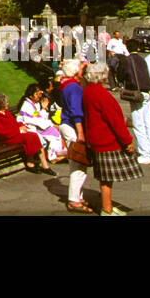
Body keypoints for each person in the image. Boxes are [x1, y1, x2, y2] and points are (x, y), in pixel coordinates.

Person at [81, 63, 141, 215]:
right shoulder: (101, 94)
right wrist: (127, 141)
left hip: (96, 138)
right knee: (107, 178)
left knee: (105, 177)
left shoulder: (88, 91)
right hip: (106, 140)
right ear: (101, 76)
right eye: (105, 74)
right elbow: (115, 120)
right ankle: (106, 209)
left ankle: (107, 206)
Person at [0, 93, 55, 174]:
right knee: (31, 137)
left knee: (34, 136)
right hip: (8, 138)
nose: (8, 104)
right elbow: (2, 131)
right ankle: (30, 163)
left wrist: (22, 126)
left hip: (15, 134)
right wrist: (18, 130)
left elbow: (15, 122)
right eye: (6, 102)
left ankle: (44, 165)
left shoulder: (6, 112)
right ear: (1, 104)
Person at [57, 58, 91, 212]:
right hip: (72, 126)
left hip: (65, 124)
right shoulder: (74, 88)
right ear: (76, 72)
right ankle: (74, 199)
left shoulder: (66, 85)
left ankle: (77, 195)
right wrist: (81, 133)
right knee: (79, 163)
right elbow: (76, 111)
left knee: (75, 163)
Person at [117, 49, 150, 164]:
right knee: (147, 123)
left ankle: (144, 154)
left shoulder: (127, 60)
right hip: (146, 92)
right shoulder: (142, 59)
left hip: (136, 93)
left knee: (138, 123)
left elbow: (120, 75)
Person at [18, 82, 65, 162]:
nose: (39, 96)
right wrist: (51, 125)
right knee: (55, 134)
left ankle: (57, 154)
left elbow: (38, 117)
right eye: (37, 94)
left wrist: (43, 109)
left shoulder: (34, 104)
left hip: (40, 126)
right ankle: (53, 156)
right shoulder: (27, 106)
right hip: (32, 128)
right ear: (31, 96)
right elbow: (34, 120)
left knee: (57, 131)